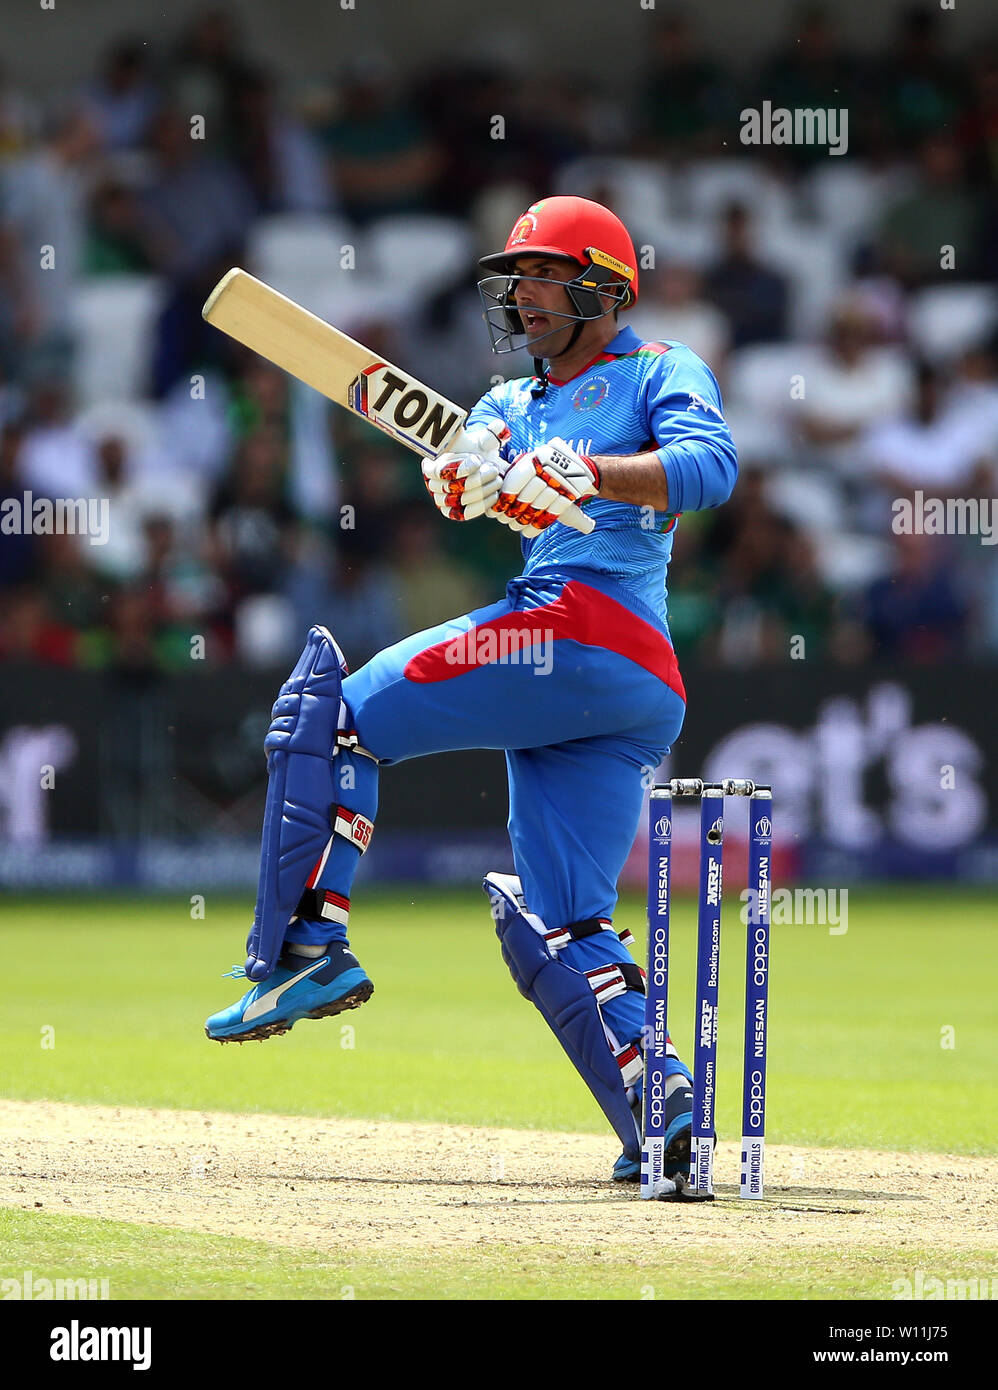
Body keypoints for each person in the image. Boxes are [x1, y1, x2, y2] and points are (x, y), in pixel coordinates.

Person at [205, 197, 738, 1190]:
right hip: (609, 688)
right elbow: (460, 473)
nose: (521, 293)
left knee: (329, 714)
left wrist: (589, 470)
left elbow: (709, 470)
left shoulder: (660, 369)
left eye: (543, 274)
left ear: (603, 289)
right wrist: (466, 479)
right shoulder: (506, 402)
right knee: (560, 921)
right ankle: (663, 1117)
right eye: (514, 277)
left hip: (584, 630)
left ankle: (306, 946)